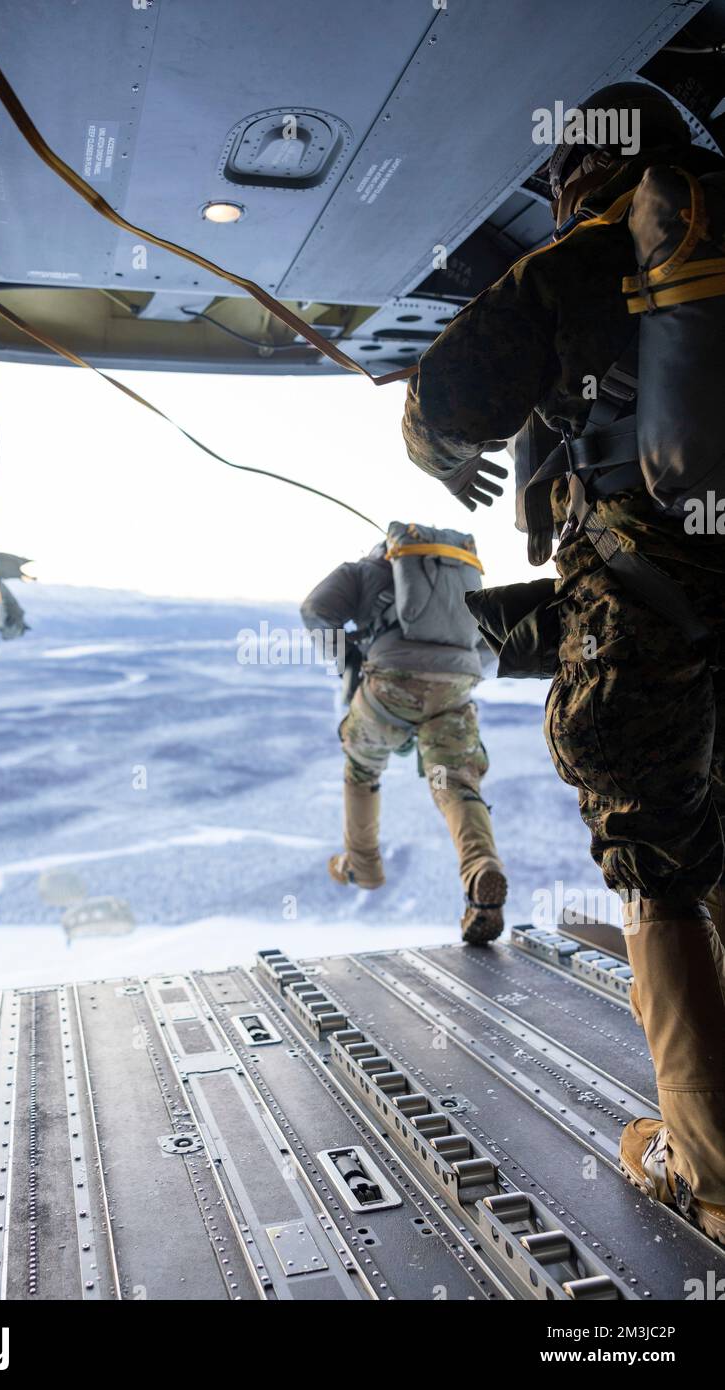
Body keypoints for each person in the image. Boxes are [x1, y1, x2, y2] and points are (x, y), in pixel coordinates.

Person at [401, 82, 725, 1243]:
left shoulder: (581, 261)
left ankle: (710, 1172)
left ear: (587, 171)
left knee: (655, 863)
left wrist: (436, 453)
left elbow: (443, 400)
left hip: (647, 621)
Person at [300, 524, 507, 946]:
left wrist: (351, 662)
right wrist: (456, 675)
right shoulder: (461, 576)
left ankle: (364, 864)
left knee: (361, 766)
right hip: (456, 685)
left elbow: (315, 611)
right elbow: (489, 643)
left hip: (390, 683)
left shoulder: (361, 572)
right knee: (455, 782)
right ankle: (480, 867)